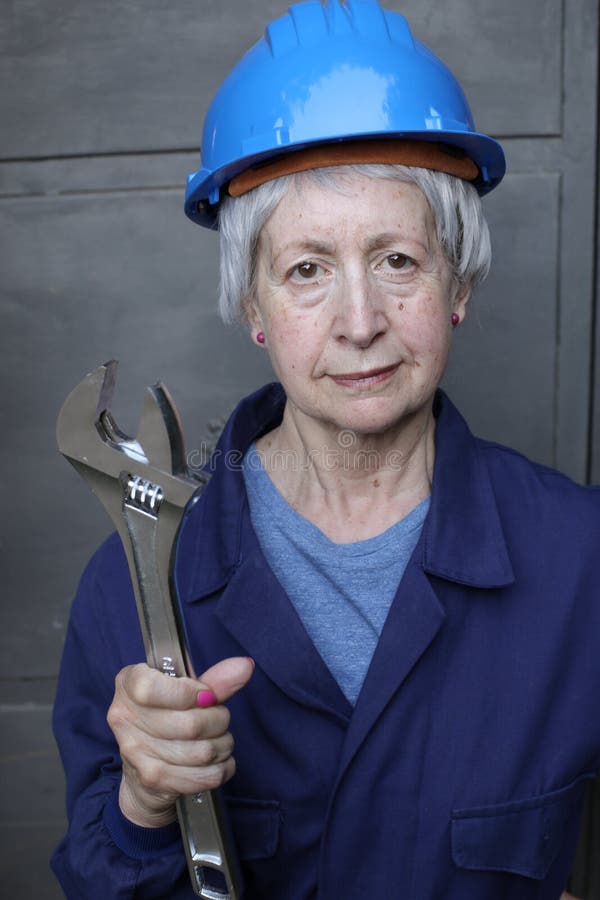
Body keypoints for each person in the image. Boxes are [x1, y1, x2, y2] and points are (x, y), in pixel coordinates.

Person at [51, 1, 600, 898]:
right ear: (255, 310)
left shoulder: (585, 561)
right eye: (307, 269)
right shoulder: (137, 582)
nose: (359, 324)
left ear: (456, 285)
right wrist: (147, 806)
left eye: (398, 261)